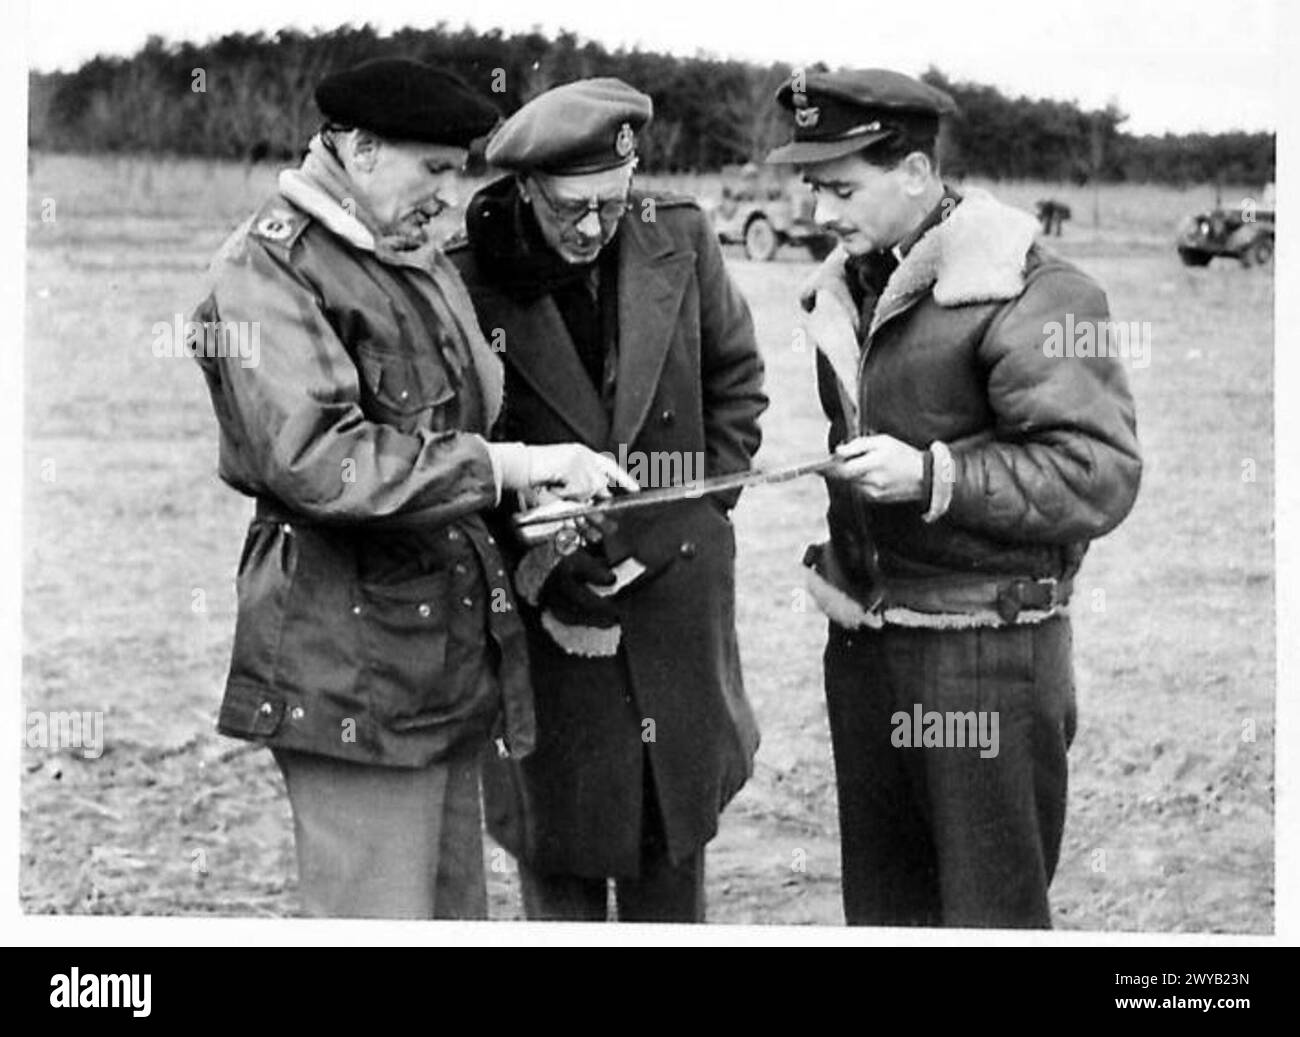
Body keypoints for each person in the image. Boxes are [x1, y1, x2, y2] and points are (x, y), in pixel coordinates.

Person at [191, 58, 634, 919]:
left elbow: (444, 429)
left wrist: (519, 507)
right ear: (360, 150)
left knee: (447, 914)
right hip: (347, 667)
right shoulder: (269, 270)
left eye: (457, 169)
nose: (448, 193)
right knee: (379, 917)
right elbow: (322, 459)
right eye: (433, 168)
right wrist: (508, 468)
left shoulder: (404, 250)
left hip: (433, 659)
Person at [766, 68, 1142, 927]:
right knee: (889, 914)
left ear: (915, 173)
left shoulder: (1038, 290)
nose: (821, 214)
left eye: (841, 189)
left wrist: (936, 476)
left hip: (985, 662)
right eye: (814, 189)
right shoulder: (856, 282)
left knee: (987, 916)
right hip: (869, 649)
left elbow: (1099, 471)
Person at [449, 77, 767, 922]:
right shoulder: (462, 280)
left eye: (613, 204)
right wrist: (538, 554)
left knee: (673, 854)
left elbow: (736, 384)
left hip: (673, 600)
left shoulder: (682, 239)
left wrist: (688, 512)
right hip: (546, 627)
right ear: (524, 189)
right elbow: (450, 455)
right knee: (562, 855)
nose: (594, 228)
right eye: (571, 209)